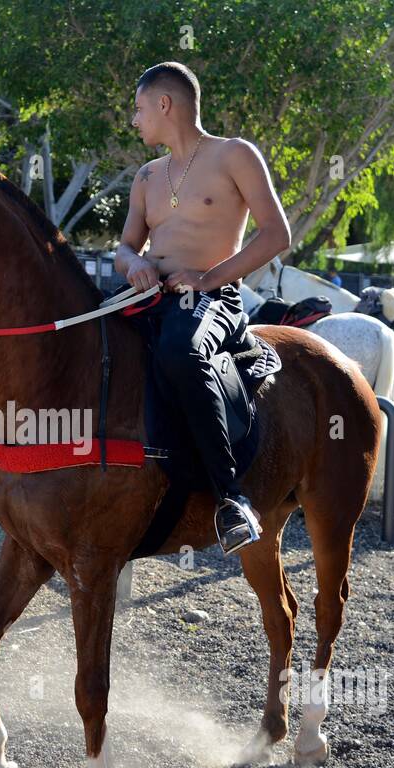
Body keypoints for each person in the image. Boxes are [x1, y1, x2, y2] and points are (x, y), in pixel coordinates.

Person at [115, 62, 291, 553]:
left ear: (164, 104)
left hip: (212, 296)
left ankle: (230, 498)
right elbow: (125, 247)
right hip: (148, 295)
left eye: (139, 108)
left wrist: (208, 278)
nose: (135, 120)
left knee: (181, 352)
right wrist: (135, 266)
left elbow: (277, 235)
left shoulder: (234, 154)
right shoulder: (147, 175)